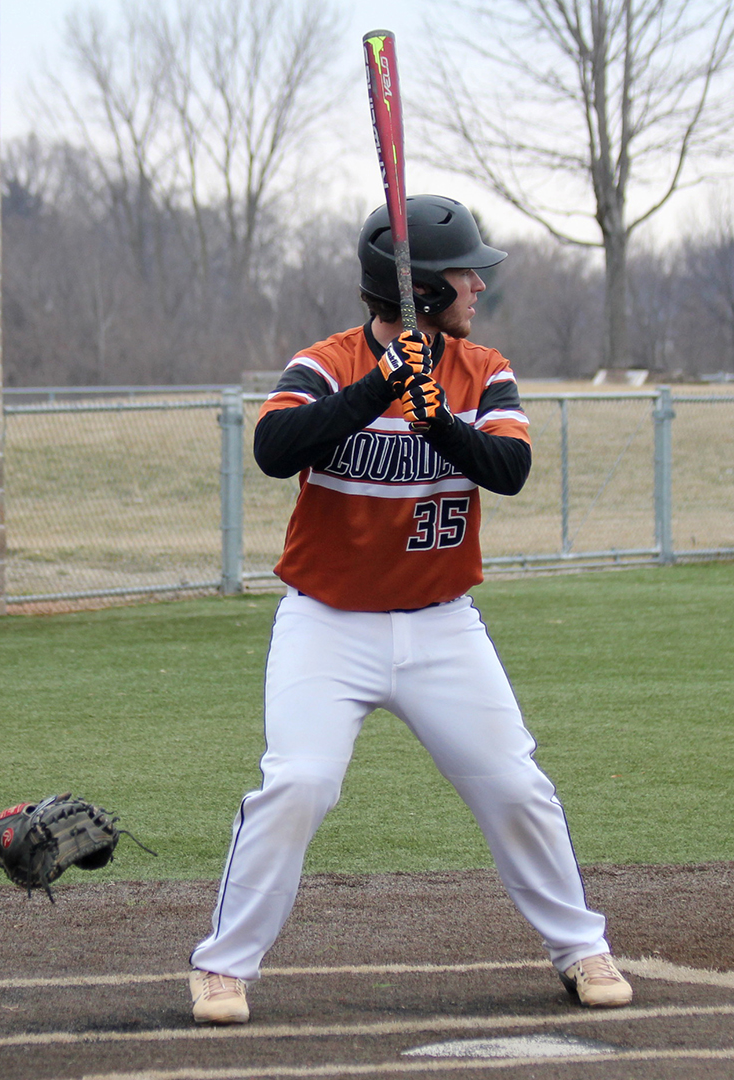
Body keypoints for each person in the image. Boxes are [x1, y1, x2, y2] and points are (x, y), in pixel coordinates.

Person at [186, 195, 629, 1026]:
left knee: (514, 784)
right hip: (327, 622)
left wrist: (434, 417)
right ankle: (221, 967)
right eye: (467, 275)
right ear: (424, 291)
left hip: (440, 623)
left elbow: (507, 469)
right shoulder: (325, 363)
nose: (479, 288)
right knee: (300, 783)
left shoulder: (482, 368)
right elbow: (275, 450)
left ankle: (582, 948)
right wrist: (381, 385)